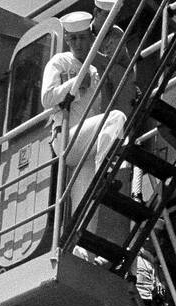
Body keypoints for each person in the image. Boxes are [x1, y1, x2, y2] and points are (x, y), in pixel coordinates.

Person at [40, 12, 126, 219]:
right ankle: (104, 173)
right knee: (115, 118)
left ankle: (80, 248)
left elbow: (94, 112)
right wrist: (75, 84)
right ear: (68, 40)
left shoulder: (95, 72)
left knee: (84, 211)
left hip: (85, 143)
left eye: (83, 38)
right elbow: (47, 98)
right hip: (66, 137)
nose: (78, 43)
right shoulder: (59, 62)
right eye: (74, 39)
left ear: (90, 40)